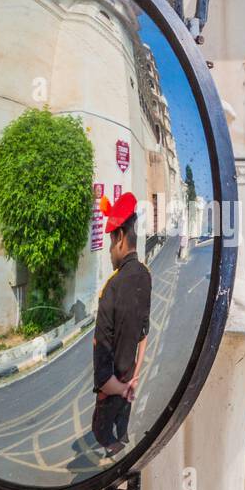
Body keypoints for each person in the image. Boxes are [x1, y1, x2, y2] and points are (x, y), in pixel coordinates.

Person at [91, 192, 152, 457]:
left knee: (102, 434)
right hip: (129, 384)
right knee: (123, 434)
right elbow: (143, 333)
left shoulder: (112, 288)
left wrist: (119, 387)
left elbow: (102, 369)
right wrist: (134, 379)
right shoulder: (146, 276)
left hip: (115, 389)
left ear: (120, 238)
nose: (108, 250)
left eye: (110, 240)